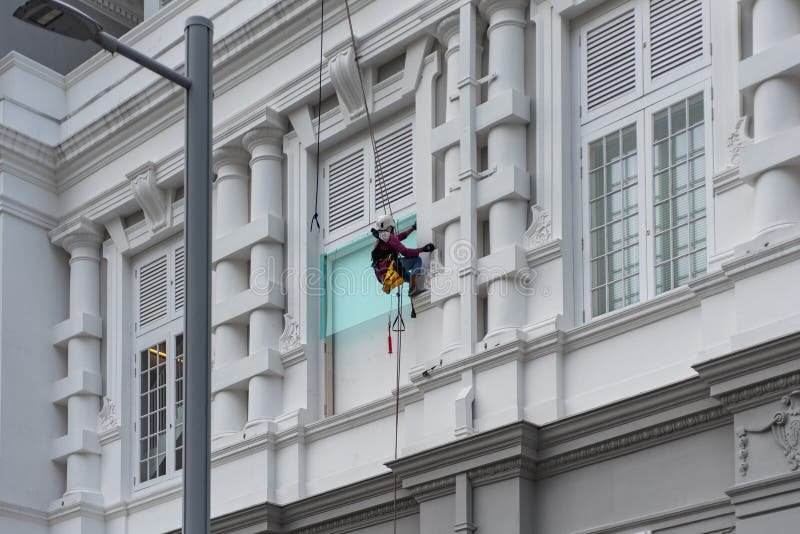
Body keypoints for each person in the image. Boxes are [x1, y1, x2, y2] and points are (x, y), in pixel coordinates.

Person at [371, 214, 435, 297]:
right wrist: (423, 249)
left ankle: (413, 290)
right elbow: (406, 252)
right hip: (392, 269)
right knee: (416, 260)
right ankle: (413, 287)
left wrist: (412, 228)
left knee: (409, 278)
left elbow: (397, 238)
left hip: (385, 278)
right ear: (390, 227)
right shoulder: (389, 237)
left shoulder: (381, 240)